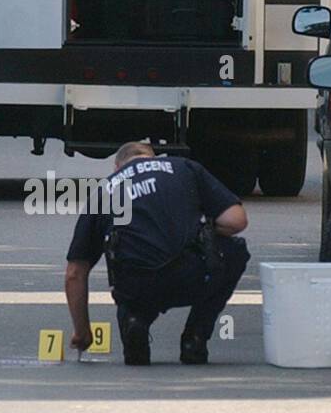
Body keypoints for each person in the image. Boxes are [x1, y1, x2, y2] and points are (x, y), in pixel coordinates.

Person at [65, 142, 250, 365]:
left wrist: (82, 332)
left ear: (116, 168)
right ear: (153, 158)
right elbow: (236, 220)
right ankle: (195, 337)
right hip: (192, 275)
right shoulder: (184, 168)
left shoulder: (104, 191)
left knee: (133, 280)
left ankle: (135, 320)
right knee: (235, 251)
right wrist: (203, 228)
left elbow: (75, 273)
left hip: (137, 287)